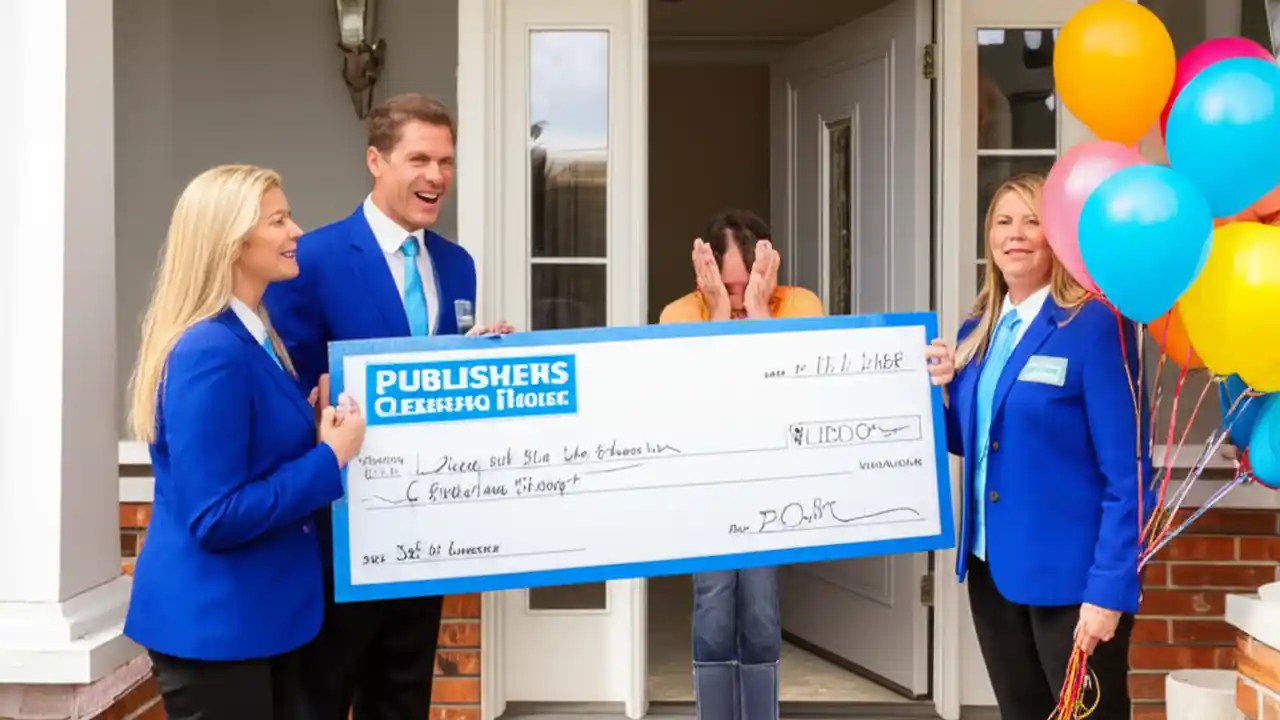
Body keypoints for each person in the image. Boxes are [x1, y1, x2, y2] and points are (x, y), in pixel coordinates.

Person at [263, 93, 508, 720]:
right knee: (319, 699)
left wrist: (474, 363)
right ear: (376, 160)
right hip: (337, 533)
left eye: (447, 162)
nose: (436, 177)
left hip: (424, 532)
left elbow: (442, 388)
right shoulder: (310, 259)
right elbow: (283, 387)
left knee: (402, 701)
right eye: (419, 158)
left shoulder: (458, 266)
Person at [659, 209, 954, 720]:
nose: (731, 295)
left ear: (765, 269)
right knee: (712, 597)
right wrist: (713, 310)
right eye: (723, 285)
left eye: (742, 284)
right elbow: (693, 393)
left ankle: (758, 711)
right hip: (706, 481)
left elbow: (798, 392)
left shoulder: (799, 304)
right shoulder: (679, 313)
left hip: (772, 480)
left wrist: (756, 313)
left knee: (757, 600)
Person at [123, 164, 367, 720]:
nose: (296, 231)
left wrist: (310, 422)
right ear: (232, 242)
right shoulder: (210, 350)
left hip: (256, 623)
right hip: (217, 631)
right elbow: (216, 514)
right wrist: (330, 456)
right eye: (278, 220)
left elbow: (251, 448)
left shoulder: (252, 333)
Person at [938, 173, 1152, 720]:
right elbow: (976, 439)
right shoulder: (978, 329)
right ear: (989, 238)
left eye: (1032, 221)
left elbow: (1127, 474)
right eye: (1003, 222)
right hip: (991, 573)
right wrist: (940, 397)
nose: (1016, 234)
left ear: (1055, 235)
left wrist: (1109, 592)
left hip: (1071, 586)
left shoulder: (1094, 326)